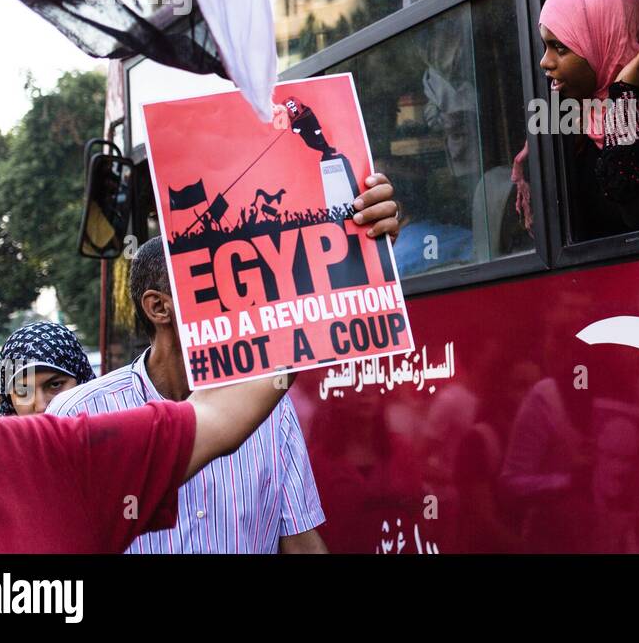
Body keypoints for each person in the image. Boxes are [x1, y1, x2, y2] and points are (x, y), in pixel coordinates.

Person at [48, 171, 402, 554]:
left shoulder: (271, 410)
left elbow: (300, 544)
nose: (240, 295)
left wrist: (357, 245)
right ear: (158, 307)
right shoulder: (79, 417)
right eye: (212, 280)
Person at [0, 253, 298, 553]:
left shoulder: (21, 449)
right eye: (22, 390)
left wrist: (324, 294)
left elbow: (212, 417)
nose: (41, 404)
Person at [514, 0, 639, 239]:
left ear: (608, 43)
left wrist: (623, 96)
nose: (545, 62)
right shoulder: (566, 122)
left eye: (560, 48)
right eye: (545, 47)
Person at [0, 320, 96, 416]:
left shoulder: (108, 429)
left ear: (81, 380)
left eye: (55, 385)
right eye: (23, 391)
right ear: (9, 400)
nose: (41, 407)